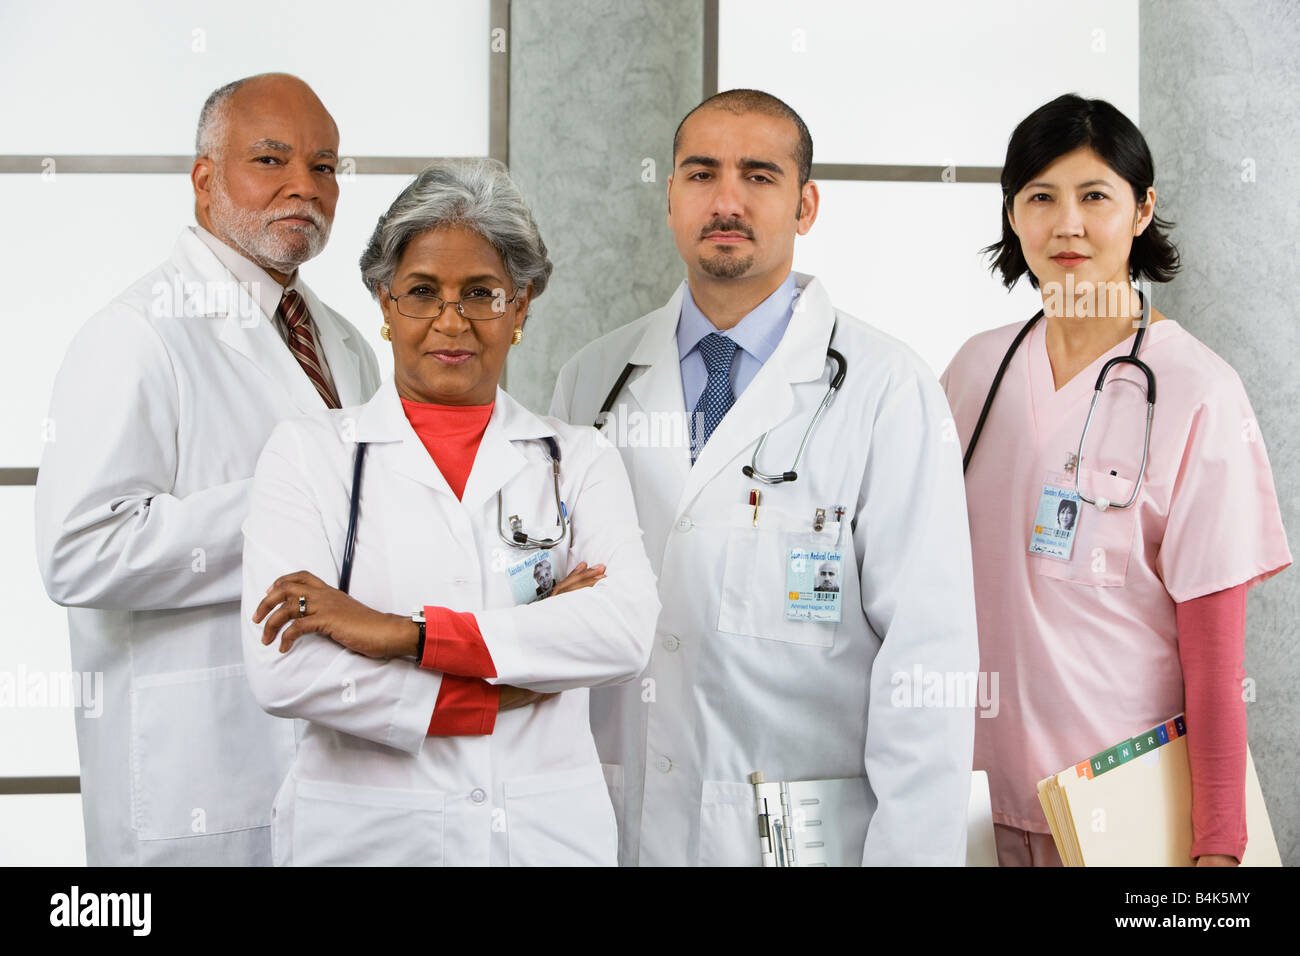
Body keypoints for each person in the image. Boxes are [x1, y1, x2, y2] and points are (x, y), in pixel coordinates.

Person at [550, 89, 978, 866]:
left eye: (759, 176)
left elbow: (928, 662)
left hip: (803, 840)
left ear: (805, 205)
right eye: (702, 174)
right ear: (671, 198)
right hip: (617, 828)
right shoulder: (593, 383)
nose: (727, 201)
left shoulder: (888, 391)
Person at [241, 159, 659, 866]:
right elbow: (285, 669)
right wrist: (507, 688)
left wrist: (399, 635)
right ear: (384, 302)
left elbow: (621, 635)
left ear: (520, 305)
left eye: (482, 294)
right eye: (422, 292)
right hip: (369, 837)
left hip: (542, 837)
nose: (451, 321)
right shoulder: (308, 455)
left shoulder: (577, 459)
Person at [33, 73, 380, 866]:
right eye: (270, 159)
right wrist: (295, 507)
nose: (305, 185)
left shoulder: (345, 341)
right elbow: (78, 550)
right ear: (203, 180)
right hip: (195, 776)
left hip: (334, 770)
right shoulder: (134, 335)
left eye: (325, 166)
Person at [941, 94, 1291, 867]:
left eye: (1095, 195)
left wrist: (1220, 849)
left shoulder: (1198, 389)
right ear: (1012, 215)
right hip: (971, 802)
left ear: (1142, 211)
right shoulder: (974, 371)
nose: (1067, 223)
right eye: (1040, 197)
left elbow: (1214, 654)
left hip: (1122, 810)